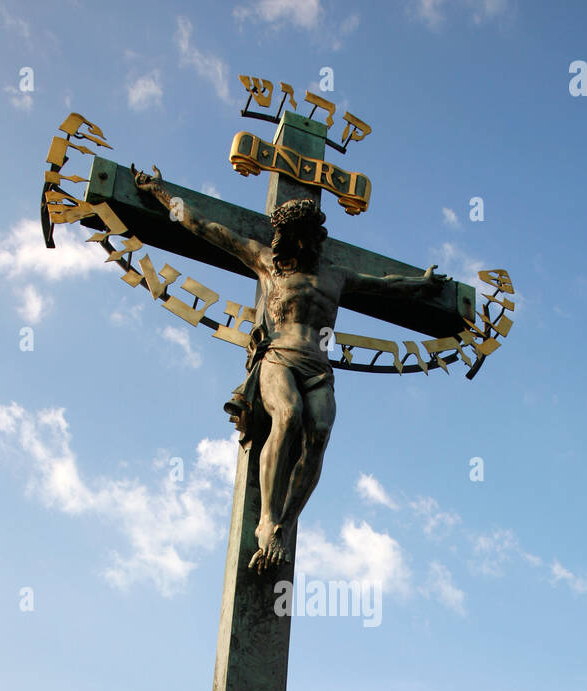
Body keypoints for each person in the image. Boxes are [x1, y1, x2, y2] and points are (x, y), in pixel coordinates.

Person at [131, 168, 448, 571]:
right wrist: (159, 192)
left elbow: (386, 286)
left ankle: (283, 523)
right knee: (289, 414)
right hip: (279, 356)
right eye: (314, 233)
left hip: (319, 367)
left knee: (318, 434)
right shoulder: (268, 264)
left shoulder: (335, 276)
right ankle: (266, 517)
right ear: (296, 235)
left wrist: (421, 283)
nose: (321, 239)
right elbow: (206, 228)